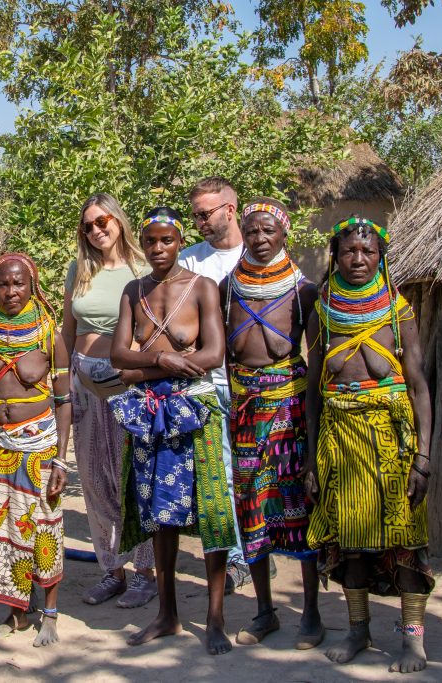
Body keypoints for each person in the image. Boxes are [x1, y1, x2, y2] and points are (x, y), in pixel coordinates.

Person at [304, 217, 433, 674]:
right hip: (339, 441)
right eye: (349, 252)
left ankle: (413, 640)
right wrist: (310, 460)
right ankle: (358, 630)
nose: (358, 260)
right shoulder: (322, 311)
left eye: (368, 252)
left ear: (380, 256)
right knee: (350, 541)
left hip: (391, 440)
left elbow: (418, 386)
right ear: (335, 255)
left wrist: (423, 457)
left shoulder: (399, 309)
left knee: (406, 541)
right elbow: (314, 390)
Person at [108, 207, 236, 654]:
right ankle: (167, 615)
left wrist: (153, 369)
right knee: (160, 514)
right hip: (148, 413)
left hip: (194, 409)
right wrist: (160, 362)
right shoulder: (134, 290)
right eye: (150, 241)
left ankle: (215, 618)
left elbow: (215, 354)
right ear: (141, 244)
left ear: (179, 241)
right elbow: (118, 355)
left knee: (212, 511)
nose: (158, 249)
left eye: (166, 240)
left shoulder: (202, 288)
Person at [222, 199, 322, 649]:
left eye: (269, 232)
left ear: (284, 236)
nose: (260, 240)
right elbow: (223, 354)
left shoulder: (304, 292)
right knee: (251, 511)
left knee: (298, 507)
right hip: (244, 409)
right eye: (253, 231)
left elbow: (317, 359)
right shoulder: (227, 288)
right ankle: (264, 611)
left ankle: (313, 615)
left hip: (289, 407)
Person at [0, 253, 70, 647]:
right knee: (2, 530)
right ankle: (16, 613)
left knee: (43, 525)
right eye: (4, 284)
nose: (11, 291)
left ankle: (51, 613)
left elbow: (64, 401)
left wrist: (61, 459)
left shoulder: (49, 334)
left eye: (19, 284)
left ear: (32, 286)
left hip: (38, 446)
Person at [61, 193, 156, 608]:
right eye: (88, 225)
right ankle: (110, 570)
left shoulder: (143, 268)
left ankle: (145, 573)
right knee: (94, 481)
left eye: (103, 221)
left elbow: (154, 331)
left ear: (118, 219)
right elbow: (68, 329)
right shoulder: (78, 270)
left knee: (133, 480)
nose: (97, 230)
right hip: (83, 383)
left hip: (128, 385)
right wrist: (61, 381)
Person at [180, 177, 252, 593]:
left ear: (229, 208)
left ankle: (256, 547)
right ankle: (237, 558)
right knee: (219, 474)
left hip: (255, 386)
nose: (200, 223)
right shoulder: (190, 263)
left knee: (253, 472)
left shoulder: (260, 254)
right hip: (209, 382)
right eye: (195, 216)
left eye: (205, 214)